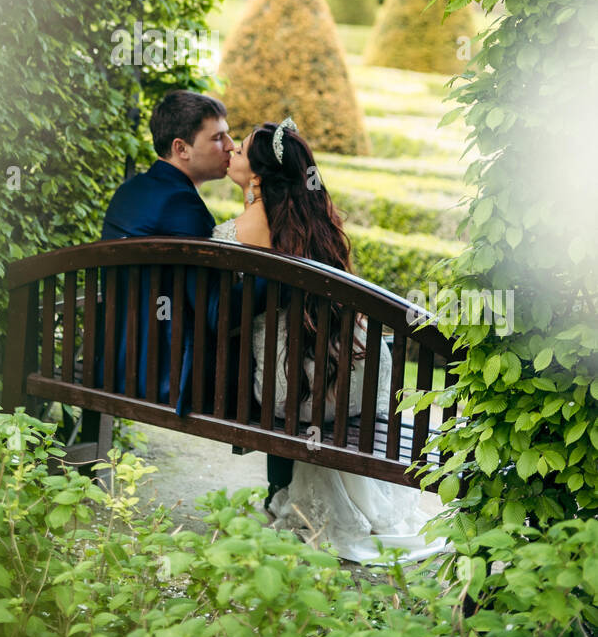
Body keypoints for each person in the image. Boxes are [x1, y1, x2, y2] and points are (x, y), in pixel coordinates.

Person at [213, 116, 447, 565]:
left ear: (257, 176)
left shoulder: (237, 231)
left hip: (291, 389)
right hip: (353, 380)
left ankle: (296, 499)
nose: (231, 153)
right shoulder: (314, 221)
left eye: (239, 150)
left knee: (274, 355)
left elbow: (225, 316)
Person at [98, 90, 236, 413]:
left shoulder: (130, 191)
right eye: (218, 137)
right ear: (181, 148)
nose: (230, 145)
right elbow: (217, 311)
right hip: (164, 378)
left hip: (114, 365)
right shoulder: (182, 205)